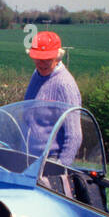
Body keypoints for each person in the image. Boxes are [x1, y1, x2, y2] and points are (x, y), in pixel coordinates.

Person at [23, 30, 82, 164]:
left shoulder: (65, 84)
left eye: (47, 59)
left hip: (50, 161)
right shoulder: (37, 75)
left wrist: (60, 169)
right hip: (29, 157)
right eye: (38, 59)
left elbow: (74, 135)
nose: (42, 63)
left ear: (58, 57)